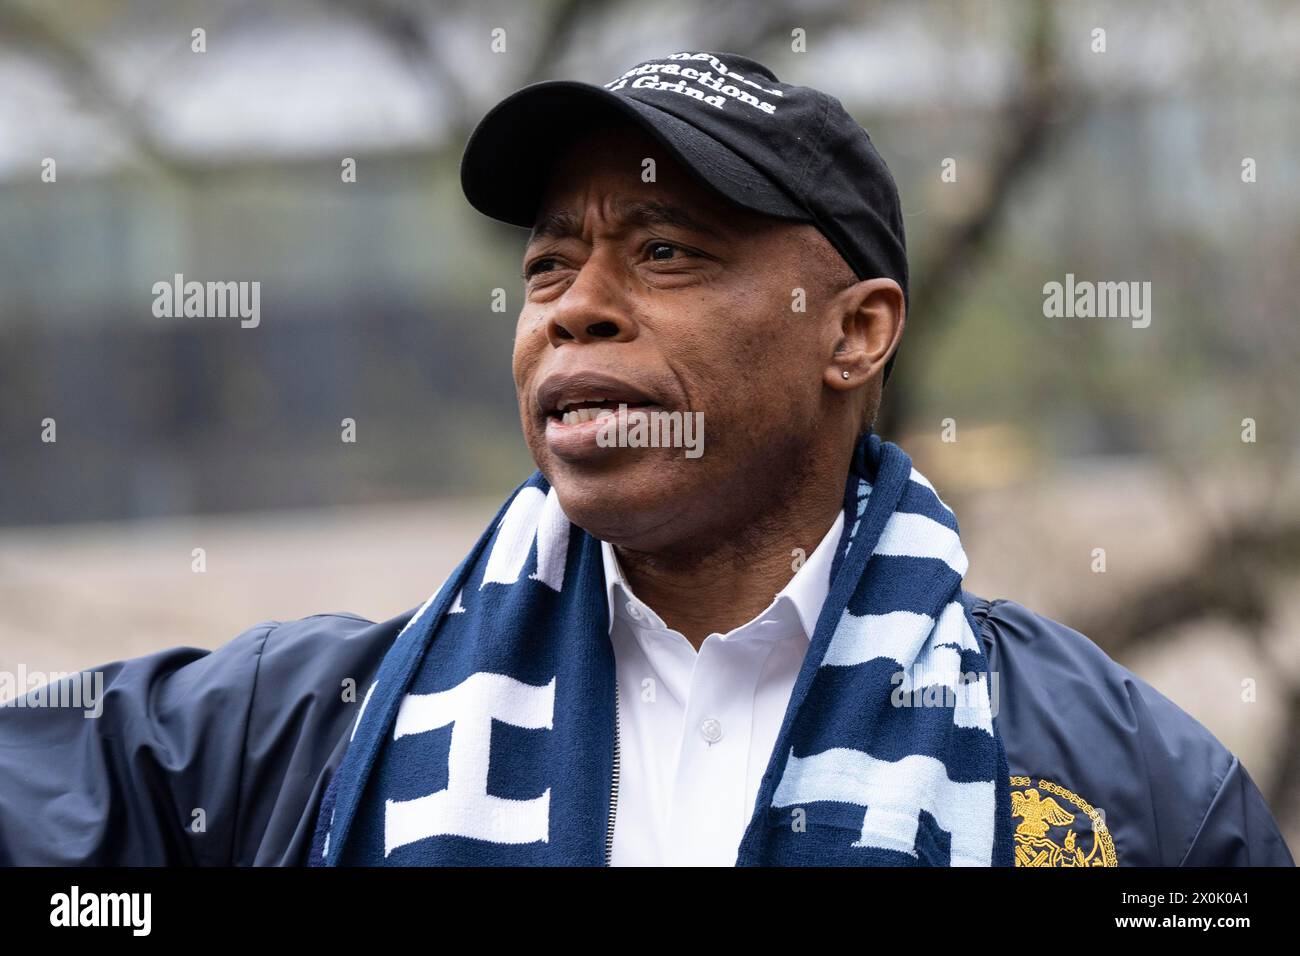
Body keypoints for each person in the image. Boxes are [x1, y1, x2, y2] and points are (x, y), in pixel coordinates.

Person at [0, 51, 1291, 867]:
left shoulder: (1127, 789)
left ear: (855, 332)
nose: (575, 305)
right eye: (550, 265)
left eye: (666, 251)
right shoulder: (287, 734)